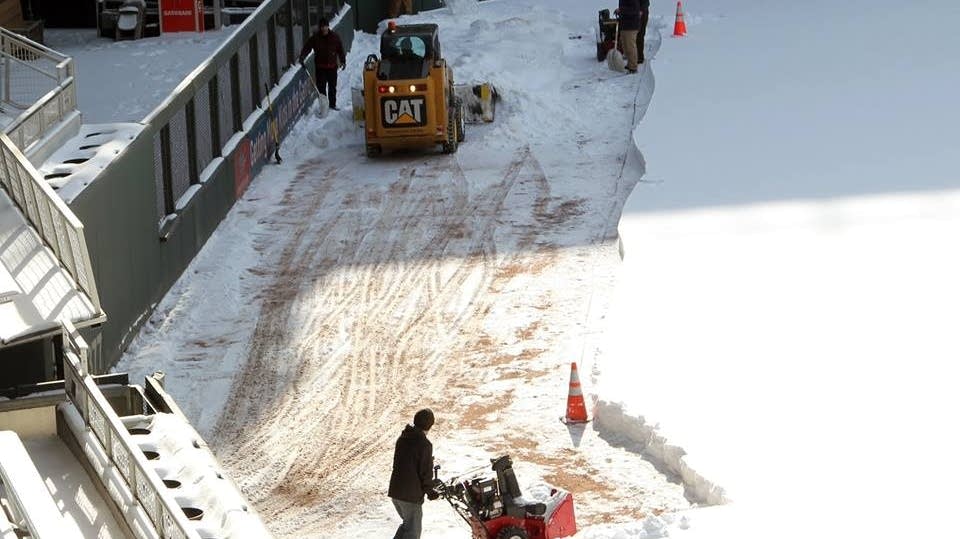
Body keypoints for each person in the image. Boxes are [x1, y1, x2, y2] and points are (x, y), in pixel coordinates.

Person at [388, 408, 439, 539]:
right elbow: (425, 472)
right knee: (412, 533)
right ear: (429, 425)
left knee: (407, 526)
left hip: (396, 492)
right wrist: (430, 491)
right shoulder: (424, 444)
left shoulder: (403, 438)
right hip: (410, 496)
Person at [298, 17, 346, 110]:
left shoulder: (334, 37)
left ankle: (332, 104)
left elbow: (340, 50)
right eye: (322, 27)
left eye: (325, 26)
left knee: (332, 87)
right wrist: (302, 57)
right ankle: (324, 106)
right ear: (320, 28)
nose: (324, 28)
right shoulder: (315, 38)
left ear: (328, 26)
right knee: (321, 88)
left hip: (332, 67)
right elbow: (307, 47)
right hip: (320, 67)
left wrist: (343, 61)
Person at [615, 0, 641, 73]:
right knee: (625, 46)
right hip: (624, 25)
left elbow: (634, 9)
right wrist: (619, 13)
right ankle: (630, 64)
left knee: (630, 47)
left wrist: (621, 10)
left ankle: (633, 67)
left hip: (631, 26)